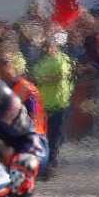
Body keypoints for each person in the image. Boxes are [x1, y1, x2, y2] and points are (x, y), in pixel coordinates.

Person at [31, 29, 74, 176]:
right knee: (45, 135)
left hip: (58, 103)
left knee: (55, 136)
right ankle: (46, 162)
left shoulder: (62, 59)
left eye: (50, 45)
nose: (47, 48)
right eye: (46, 46)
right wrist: (43, 79)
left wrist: (43, 79)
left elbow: (59, 75)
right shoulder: (43, 61)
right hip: (44, 104)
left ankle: (51, 164)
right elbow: (35, 75)